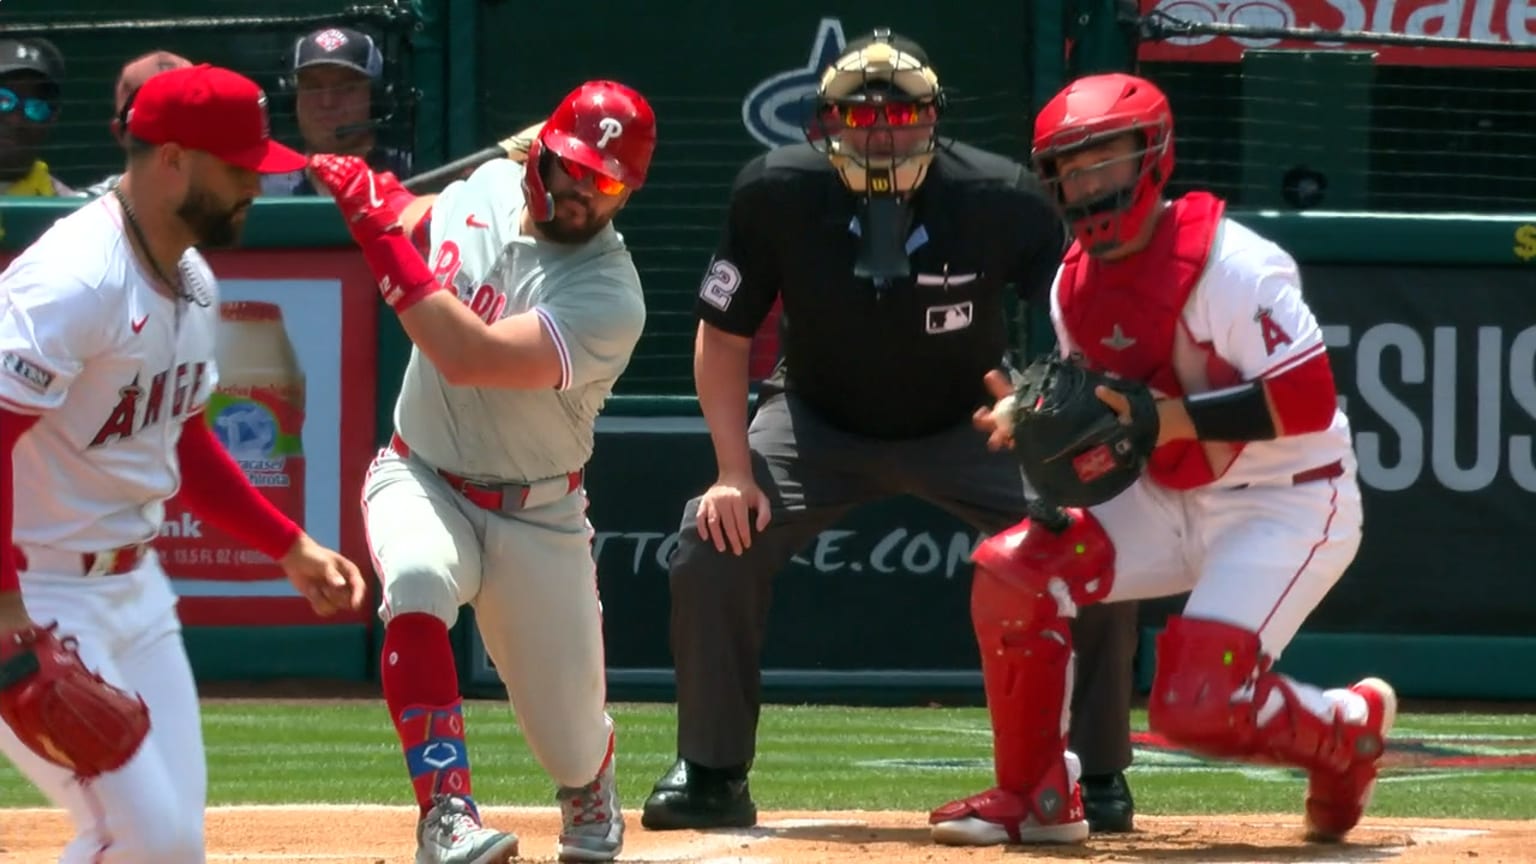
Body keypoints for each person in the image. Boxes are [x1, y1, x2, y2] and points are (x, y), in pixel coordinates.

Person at [638, 28, 1138, 835]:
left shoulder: (1001, 196)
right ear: (822, 123)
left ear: (935, 120)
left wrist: (1041, 404)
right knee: (710, 540)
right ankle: (711, 770)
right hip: (813, 420)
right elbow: (723, 335)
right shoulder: (774, 191)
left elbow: (1075, 315)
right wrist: (732, 470)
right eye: (859, 117)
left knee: (1093, 534)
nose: (880, 134)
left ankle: (1097, 772)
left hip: (972, 423)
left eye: (901, 118)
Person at [928, 71, 1394, 846]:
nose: (1089, 184)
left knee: (1198, 705)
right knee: (1013, 571)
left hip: (1285, 497)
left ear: (1152, 157)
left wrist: (1167, 418)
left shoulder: (1233, 265)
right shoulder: (1072, 286)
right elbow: (1112, 417)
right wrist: (1042, 422)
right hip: (1166, 489)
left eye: (1104, 161)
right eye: (1071, 170)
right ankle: (1038, 797)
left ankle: (1347, 735)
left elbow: (1307, 401)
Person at [0, 63, 365, 861]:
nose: (255, 188)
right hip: (43, 594)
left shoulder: (194, 278)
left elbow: (182, 438)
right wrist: (3, 609)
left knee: (169, 845)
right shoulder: (73, 281)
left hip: (137, 591)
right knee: (148, 842)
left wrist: (287, 545)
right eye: (240, 169)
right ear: (172, 159)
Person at [308, 79, 655, 864]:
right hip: (420, 470)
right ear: (541, 156)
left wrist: (373, 230)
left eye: (609, 185)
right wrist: (379, 197)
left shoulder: (610, 295)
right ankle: (446, 813)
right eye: (574, 170)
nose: (584, 197)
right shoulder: (486, 185)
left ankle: (588, 780)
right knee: (420, 580)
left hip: (538, 511)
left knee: (567, 738)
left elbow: (468, 356)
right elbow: (415, 223)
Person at [262, 26, 411, 197]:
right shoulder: (266, 194)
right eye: (312, 87)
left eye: (346, 88)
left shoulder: (416, 175)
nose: (328, 102)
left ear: (377, 99)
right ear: (291, 100)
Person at [79, 49, 195, 198]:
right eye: (154, 122)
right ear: (120, 133)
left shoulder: (226, 201)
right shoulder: (83, 210)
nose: (171, 139)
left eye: (185, 118)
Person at [0, 38, 72, 197]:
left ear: (52, 119)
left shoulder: (66, 211)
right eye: (3, 100)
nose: (15, 120)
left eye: (35, 108)